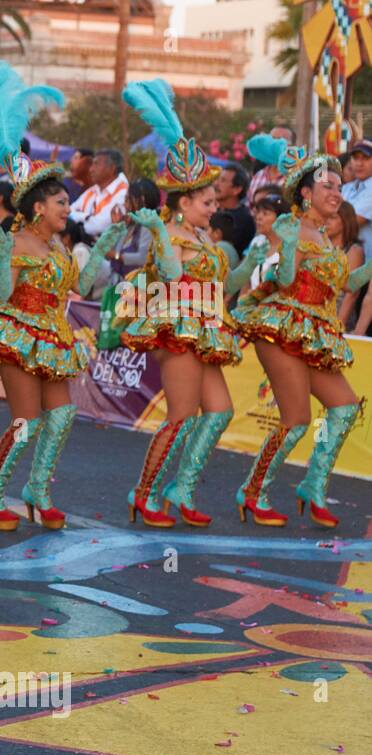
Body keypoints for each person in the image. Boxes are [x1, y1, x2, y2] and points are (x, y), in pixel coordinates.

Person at [0, 63, 116, 532]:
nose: (69, 208)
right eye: (62, 202)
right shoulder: (14, 243)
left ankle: (38, 492)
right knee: (27, 421)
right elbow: (3, 293)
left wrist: (103, 244)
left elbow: (79, 282)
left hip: (54, 335)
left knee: (61, 416)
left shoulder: (59, 244)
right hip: (17, 331)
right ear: (39, 206)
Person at [116, 80, 261, 528]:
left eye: (215, 200)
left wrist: (251, 262)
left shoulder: (203, 236)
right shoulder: (172, 235)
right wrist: (160, 235)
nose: (214, 208)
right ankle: (144, 495)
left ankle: (180, 488)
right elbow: (174, 277)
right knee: (180, 416)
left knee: (219, 412)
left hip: (206, 326)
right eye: (207, 201)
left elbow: (224, 283)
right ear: (182, 203)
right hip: (175, 327)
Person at [231, 133, 371, 527]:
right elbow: (285, 277)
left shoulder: (327, 238)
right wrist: (289, 246)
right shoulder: (288, 227)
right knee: (296, 420)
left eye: (340, 187)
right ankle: (253, 491)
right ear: (306, 192)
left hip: (317, 333)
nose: (337, 192)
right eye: (328, 185)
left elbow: (348, 284)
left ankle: (313, 484)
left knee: (343, 409)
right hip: (282, 328)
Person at [69, 148, 128, 238]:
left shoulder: (124, 192)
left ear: (112, 168)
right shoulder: (94, 189)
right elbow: (67, 211)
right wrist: (86, 217)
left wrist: (76, 221)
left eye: (96, 164)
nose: (91, 169)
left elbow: (98, 226)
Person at [330, 200, 364, 330]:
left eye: (332, 217)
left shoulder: (354, 250)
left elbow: (351, 294)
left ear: (345, 221)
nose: (326, 221)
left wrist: (338, 326)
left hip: (337, 320)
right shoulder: (320, 246)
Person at [338, 138, 372, 259]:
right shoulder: (348, 187)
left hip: (366, 268)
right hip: (345, 261)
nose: (359, 163)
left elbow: (351, 222)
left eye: (366, 158)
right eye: (355, 158)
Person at [214, 162, 256, 255]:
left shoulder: (245, 220)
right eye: (217, 179)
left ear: (236, 189)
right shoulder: (210, 210)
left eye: (223, 181)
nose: (216, 184)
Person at [247, 126, 292, 202]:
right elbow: (250, 205)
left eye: (280, 140)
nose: (274, 143)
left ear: (292, 145)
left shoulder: (296, 177)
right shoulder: (258, 175)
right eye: (272, 139)